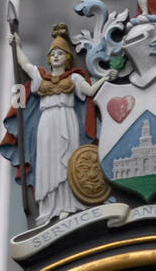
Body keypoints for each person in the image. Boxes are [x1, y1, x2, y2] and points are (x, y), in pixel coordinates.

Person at [7, 23, 115, 227]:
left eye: (60, 53)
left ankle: (67, 206)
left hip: (66, 121)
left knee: (65, 161)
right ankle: (48, 208)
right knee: (47, 162)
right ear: (49, 58)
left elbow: (90, 93)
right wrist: (18, 46)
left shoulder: (73, 77)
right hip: (46, 123)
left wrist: (105, 78)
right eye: (53, 54)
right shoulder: (41, 77)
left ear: (66, 57)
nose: (56, 56)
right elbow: (25, 65)